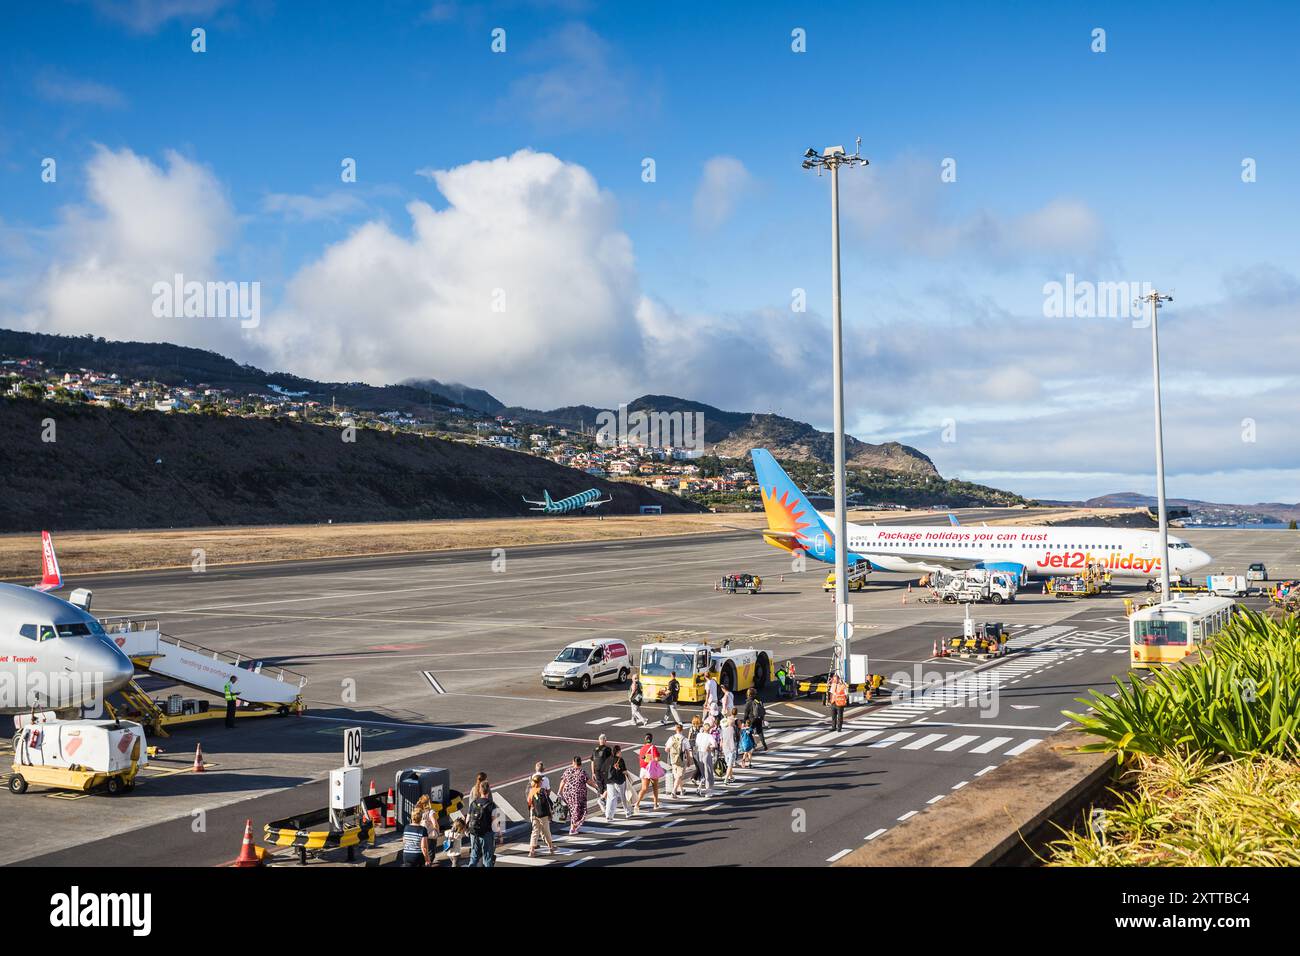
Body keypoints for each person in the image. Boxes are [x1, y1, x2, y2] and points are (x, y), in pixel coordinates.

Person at [465, 782, 499, 867]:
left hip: (474, 833)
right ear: (488, 792)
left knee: (474, 856)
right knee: (487, 857)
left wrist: (467, 830)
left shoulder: (473, 803)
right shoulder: (492, 805)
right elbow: (495, 823)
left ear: (480, 791)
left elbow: (468, 819)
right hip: (486, 833)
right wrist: (499, 834)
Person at [558, 756, 590, 835]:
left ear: (573, 762)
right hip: (577, 795)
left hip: (567, 794)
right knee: (578, 811)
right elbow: (589, 782)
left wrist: (559, 791)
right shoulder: (582, 772)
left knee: (572, 811)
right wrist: (596, 787)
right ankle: (573, 828)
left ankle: (572, 826)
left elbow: (563, 781)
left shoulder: (568, 771)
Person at [526, 774, 555, 857]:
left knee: (535, 831)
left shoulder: (531, 791)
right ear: (539, 782)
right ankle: (551, 847)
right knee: (546, 830)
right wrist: (550, 814)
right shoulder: (542, 791)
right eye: (541, 781)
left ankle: (531, 850)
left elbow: (529, 802)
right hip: (543, 814)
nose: (542, 782)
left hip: (534, 813)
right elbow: (547, 803)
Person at [634, 733, 664, 810]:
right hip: (651, 770)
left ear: (645, 740)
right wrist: (652, 759)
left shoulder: (642, 749)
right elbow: (657, 759)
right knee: (655, 787)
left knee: (644, 788)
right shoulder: (653, 747)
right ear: (651, 739)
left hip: (643, 770)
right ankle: (655, 804)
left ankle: (637, 804)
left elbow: (641, 759)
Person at [604, 745, 635, 819]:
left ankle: (609, 815)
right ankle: (627, 812)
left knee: (611, 798)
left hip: (609, 781)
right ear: (618, 751)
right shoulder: (620, 760)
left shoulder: (608, 759)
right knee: (623, 797)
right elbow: (624, 771)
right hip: (619, 781)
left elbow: (604, 770)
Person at [590, 734, 613, 818]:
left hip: (597, 771)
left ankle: (604, 805)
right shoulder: (608, 749)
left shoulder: (594, 750)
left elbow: (592, 761)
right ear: (605, 741)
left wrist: (593, 773)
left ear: (599, 740)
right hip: (605, 771)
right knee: (609, 787)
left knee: (601, 788)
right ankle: (602, 800)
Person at [401, 801, 430, 867]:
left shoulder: (406, 827)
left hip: (406, 855)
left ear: (412, 817)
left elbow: (404, 841)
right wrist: (427, 859)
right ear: (421, 818)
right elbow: (424, 847)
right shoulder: (423, 829)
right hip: (417, 856)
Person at [695, 719, 717, 796]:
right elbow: (714, 745)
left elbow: (696, 743)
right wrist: (710, 747)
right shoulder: (709, 736)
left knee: (702, 772)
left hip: (699, 753)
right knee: (708, 772)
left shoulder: (699, 735)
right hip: (706, 753)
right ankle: (708, 790)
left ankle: (700, 786)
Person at [666, 723, 688, 797]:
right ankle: (674, 791)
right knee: (679, 776)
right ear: (682, 729)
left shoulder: (671, 738)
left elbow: (666, 749)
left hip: (673, 759)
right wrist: (689, 760)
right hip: (681, 759)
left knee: (677, 776)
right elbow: (687, 750)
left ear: (675, 730)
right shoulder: (684, 739)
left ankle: (681, 790)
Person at [719, 711, 738, 784]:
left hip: (725, 749)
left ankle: (731, 776)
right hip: (732, 748)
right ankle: (726, 779)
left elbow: (721, 740)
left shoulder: (724, 730)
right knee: (730, 764)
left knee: (728, 764)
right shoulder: (734, 730)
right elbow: (737, 738)